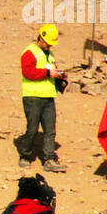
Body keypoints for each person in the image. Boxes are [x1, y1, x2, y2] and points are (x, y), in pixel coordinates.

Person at [17, 24, 68, 173]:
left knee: (50, 129)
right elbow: (28, 72)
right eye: (48, 43)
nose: (49, 46)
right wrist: (47, 73)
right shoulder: (29, 52)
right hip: (32, 96)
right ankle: (25, 155)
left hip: (48, 97)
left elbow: (51, 71)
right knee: (32, 129)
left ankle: (49, 159)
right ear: (40, 38)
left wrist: (59, 76)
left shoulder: (50, 55)